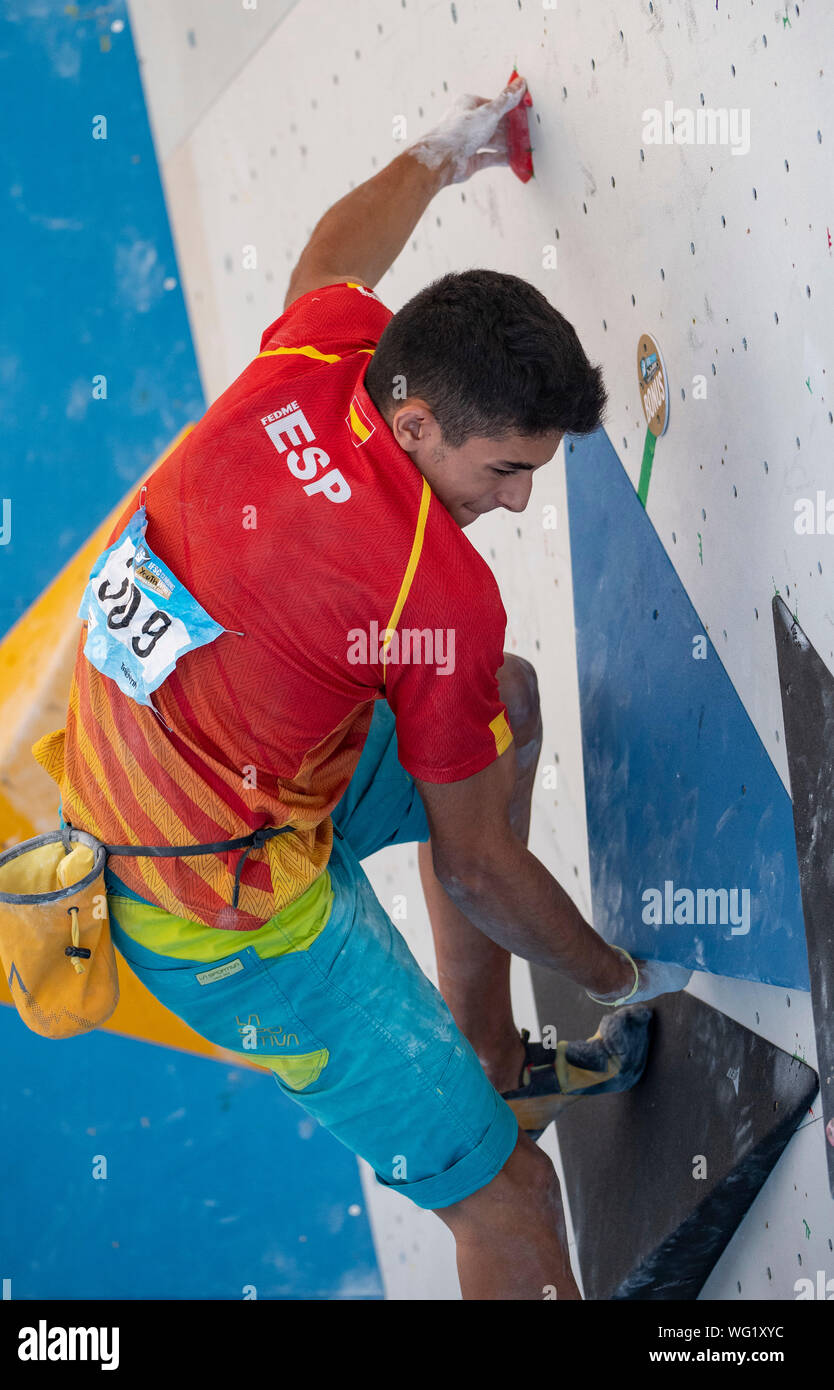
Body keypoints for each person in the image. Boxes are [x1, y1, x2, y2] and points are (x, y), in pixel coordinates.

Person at [44, 75, 689, 1299]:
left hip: (186, 766)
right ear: (411, 420)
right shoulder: (428, 593)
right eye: (503, 470)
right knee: (508, 1200)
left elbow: (330, 256)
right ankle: (486, 1119)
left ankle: (487, 1054)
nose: (516, 502)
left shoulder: (323, 359)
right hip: (225, 917)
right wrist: (623, 974)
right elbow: (476, 866)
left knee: (504, 701)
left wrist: (444, 154)